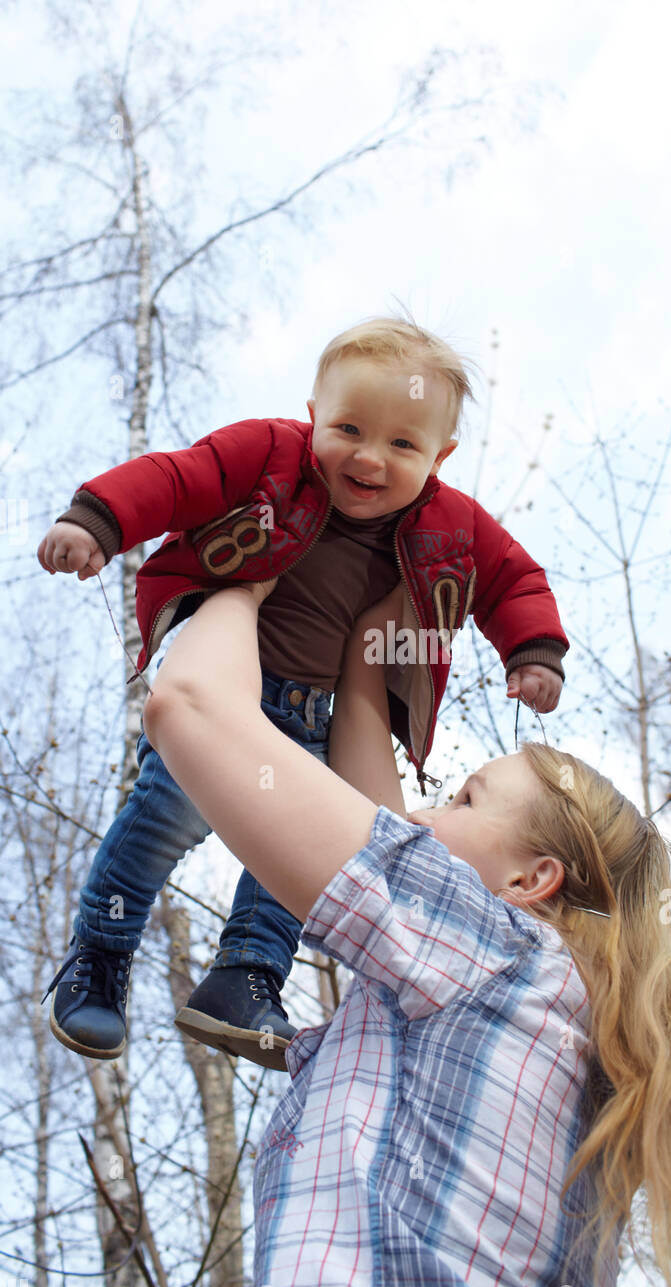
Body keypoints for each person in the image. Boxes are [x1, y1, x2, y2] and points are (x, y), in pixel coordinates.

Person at [141, 578, 671, 1287]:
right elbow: (368, 807)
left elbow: (190, 705)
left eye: (462, 799)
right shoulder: (551, 1012)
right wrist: (368, 640)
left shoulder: (494, 955)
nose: (420, 814)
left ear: (530, 880)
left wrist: (238, 577)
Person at [37, 317, 569, 1068]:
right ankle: (99, 952)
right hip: (230, 686)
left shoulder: (451, 524)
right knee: (160, 821)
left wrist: (532, 649)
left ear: (440, 457)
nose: (369, 458)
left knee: (292, 852)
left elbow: (513, 576)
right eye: (349, 428)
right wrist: (98, 520)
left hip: (314, 720)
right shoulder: (270, 454)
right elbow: (178, 477)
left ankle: (247, 976)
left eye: (403, 444)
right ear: (314, 415)